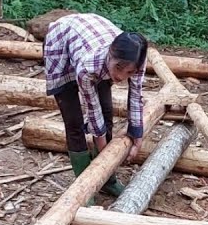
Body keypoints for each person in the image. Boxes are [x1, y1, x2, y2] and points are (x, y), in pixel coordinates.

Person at [43, 13, 148, 197]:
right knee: (74, 121)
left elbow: (136, 95)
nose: (122, 77)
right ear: (110, 55)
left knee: (107, 112)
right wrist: (106, 154)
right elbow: (92, 110)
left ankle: (108, 180)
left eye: (129, 72)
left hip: (92, 38)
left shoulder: (139, 59)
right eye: (118, 68)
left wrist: (137, 133)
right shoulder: (88, 67)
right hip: (60, 43)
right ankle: (84, 190)